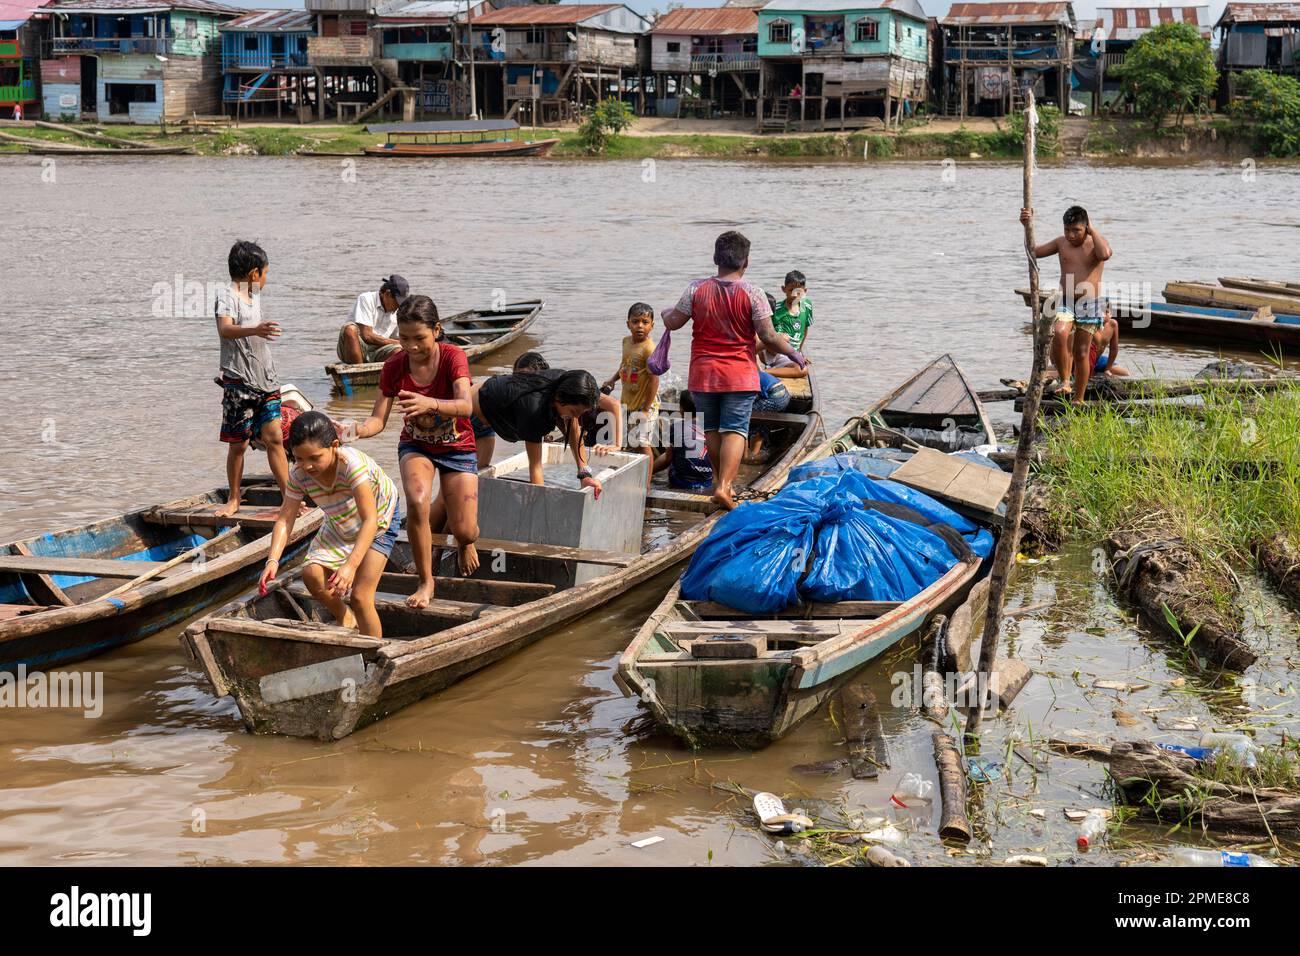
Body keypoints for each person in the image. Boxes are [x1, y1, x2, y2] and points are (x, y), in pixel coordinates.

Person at [661, 230, 808, 510]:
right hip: (739, 374)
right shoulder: (752, 293)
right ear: (746, 262)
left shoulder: (695, 289)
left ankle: (719, 483)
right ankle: (725, 487)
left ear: (716, 258)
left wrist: (664, 313)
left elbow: (673, 322)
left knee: (713, 429)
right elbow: (768, 336)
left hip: (704, 374)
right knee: (736, 430)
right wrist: (793, 353)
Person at [354, 295, 480, 609]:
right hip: (416, 445)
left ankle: (466, 543)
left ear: (437, 330)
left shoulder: (453, 357)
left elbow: (465, 406)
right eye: (403, 338)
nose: (411, 346)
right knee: (417, 500)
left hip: (457, 446)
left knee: (465, 530)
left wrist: (430, 404)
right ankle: (425, 581)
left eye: (419, 338)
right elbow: (377, 420)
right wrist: (353, 430)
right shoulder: (394, 365)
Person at [258, 411, 400, 637]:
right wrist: (272, 560)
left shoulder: (352, 466)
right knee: (312, 574)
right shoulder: (298, 475)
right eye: (300, 458)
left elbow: (370, 521)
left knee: (361, 598)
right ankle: (345, 616)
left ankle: (373, 656)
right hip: (340, 519)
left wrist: (350, 566)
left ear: (334, 445)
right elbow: (286, 519)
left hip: (379, 519)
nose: (308, 466)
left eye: (315, 458)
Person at [213, 240, 289, 518]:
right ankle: (234, 498)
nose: (266, 280)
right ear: (254, 273)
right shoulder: (227, 296)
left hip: (265, 379)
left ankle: (288, 498)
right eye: (266, 274)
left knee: (275, 439)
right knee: (239, 444)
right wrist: (256, 328)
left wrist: (258, 330)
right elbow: (225, 330)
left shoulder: (253, 297)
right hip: (240, 380)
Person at [1021, 204, 1113, 404]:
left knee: (1081, 352)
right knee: (1060, 331)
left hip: (1091, 303)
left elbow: (1105, 253)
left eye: (1076, 231)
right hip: (1067, 301)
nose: (1071, 235)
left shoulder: (1095, 243)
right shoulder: (1061, 243)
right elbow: (1033, 251)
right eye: (1067, 230)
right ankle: (1065, 381)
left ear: (1086, 227)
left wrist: (1093, 230)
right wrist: (1028, 225)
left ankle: (1078, 398)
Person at [472, 369, 605, 496]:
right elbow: (535, 467)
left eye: (581, 413)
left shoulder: (566, 384)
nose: (576, 417)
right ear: (560, 397)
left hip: (489, 416)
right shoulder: (534, 411)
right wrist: (541, 508)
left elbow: (574, 433)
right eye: (573, 412)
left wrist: (585, 476)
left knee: (478, 477)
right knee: (470, 480)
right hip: (469, 414)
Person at [603, 303, 659, 488]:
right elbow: (625, 365)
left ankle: (646, 484)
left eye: (645, 322)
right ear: (628, 324)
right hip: (628, 400)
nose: (640, 326)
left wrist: (645, 409)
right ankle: (635, 477)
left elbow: (654, 380)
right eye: (635, 322)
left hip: (645, 404)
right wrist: (612, 379)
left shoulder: (650, 349)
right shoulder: (626, 342)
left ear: (652, 325)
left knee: (643, 444)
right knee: (632, 442)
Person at [336, 275, 409, 365]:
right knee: (350, 330)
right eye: (397, 302)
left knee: (398, 352)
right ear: (387, 294)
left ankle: (386, 373)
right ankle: (358, 371)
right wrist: (399, 342)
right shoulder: (366, 299)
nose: (398, 306)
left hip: (379, 350)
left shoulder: (399, 311)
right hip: (355, 348)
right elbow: (367, 336)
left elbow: (398, 338)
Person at [653, 390, 712, 491]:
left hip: (682, 481)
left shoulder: (675, 427)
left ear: (681, 409)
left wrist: (649, 473)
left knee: (672, 453)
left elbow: (667, 459)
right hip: (707, 482)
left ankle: (648, 473)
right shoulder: (711, 428)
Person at [748, 367, 791, 459]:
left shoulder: (744, 376)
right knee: (762, 423)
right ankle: (758, 451)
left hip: (775, 398)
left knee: (746, 420)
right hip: (784, 395)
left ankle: (749, 456)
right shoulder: (750, 371)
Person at [771, 270, 813, 351]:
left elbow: (805, 329)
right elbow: (768, 334)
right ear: (784, 289)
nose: (794, 295)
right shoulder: (776, 309)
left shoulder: (807, 306)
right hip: (779, 352)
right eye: (791, 290)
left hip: (795, 352)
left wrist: (800, 352)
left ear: (805, 291)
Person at [1089, 302, 1129, 378]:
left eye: (1107, 312)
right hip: (1086, 360)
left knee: (1125, 373)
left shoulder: (1112, 324)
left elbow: (1114, 349)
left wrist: (1108, 368)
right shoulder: (1090, 325)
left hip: (1098, 360)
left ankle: (1100, 370)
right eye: (1101, 312)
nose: (1104, 315)